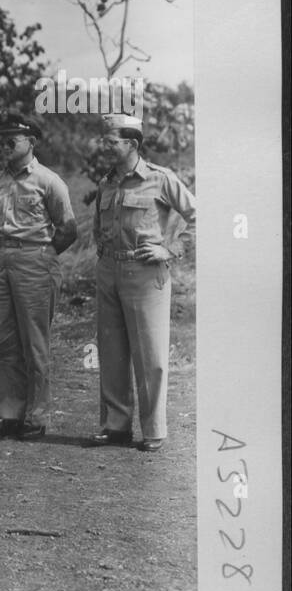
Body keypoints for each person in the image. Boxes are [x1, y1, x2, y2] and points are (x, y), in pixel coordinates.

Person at [88, 113, 196, 453]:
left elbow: (198, 215)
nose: (104, 147)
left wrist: (171, 248)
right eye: (103, 140)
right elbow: (97, 227)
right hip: (109, 272)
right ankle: (116, 426)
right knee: (111, 352)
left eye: (111, 141)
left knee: (150, 355)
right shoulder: (106, 181)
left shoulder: (160, 179)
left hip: (146, 274)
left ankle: (154, 430)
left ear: (132, 144)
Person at [0, 112, 77, 440]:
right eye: (2, 140)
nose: (6, 146)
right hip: (3, 261)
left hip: (34, 262)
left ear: (31, 142)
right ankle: (10, 415)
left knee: (35, 344)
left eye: (13, 140)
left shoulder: (48, 181)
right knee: (4, 342)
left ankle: (36, 418)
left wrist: (43, 256)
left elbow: (68, 229)